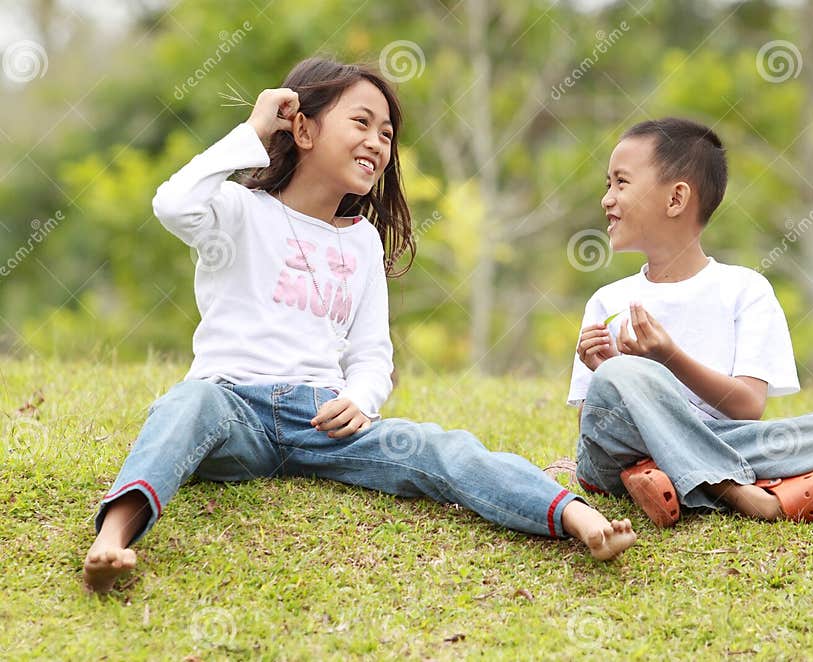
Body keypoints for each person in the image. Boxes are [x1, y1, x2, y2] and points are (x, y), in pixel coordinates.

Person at [82, 57, 635, 593]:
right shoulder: (239, 211)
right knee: (186, 404)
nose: (377, 141)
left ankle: (573, 516)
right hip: (232, 408)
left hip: (323, 424)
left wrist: (362, 400)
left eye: (388, 134)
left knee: (434, 446)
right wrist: (253, 128)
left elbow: (372, 352)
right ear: (302, 128)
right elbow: (173, 204)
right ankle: (111, 538)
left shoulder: (362, 241)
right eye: (362, 123)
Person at [564, 117, 813, 528]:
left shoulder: (745, 290)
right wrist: (608, 372)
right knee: (620, 374)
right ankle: (736, 491)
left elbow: (748, 406)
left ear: (676, 199)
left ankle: (666, 473)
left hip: (724, 439)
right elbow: (595, 425)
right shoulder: (608, 300)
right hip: (616, 458)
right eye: (608, 185)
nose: (607, 199)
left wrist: (669, 356)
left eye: (620, 183)